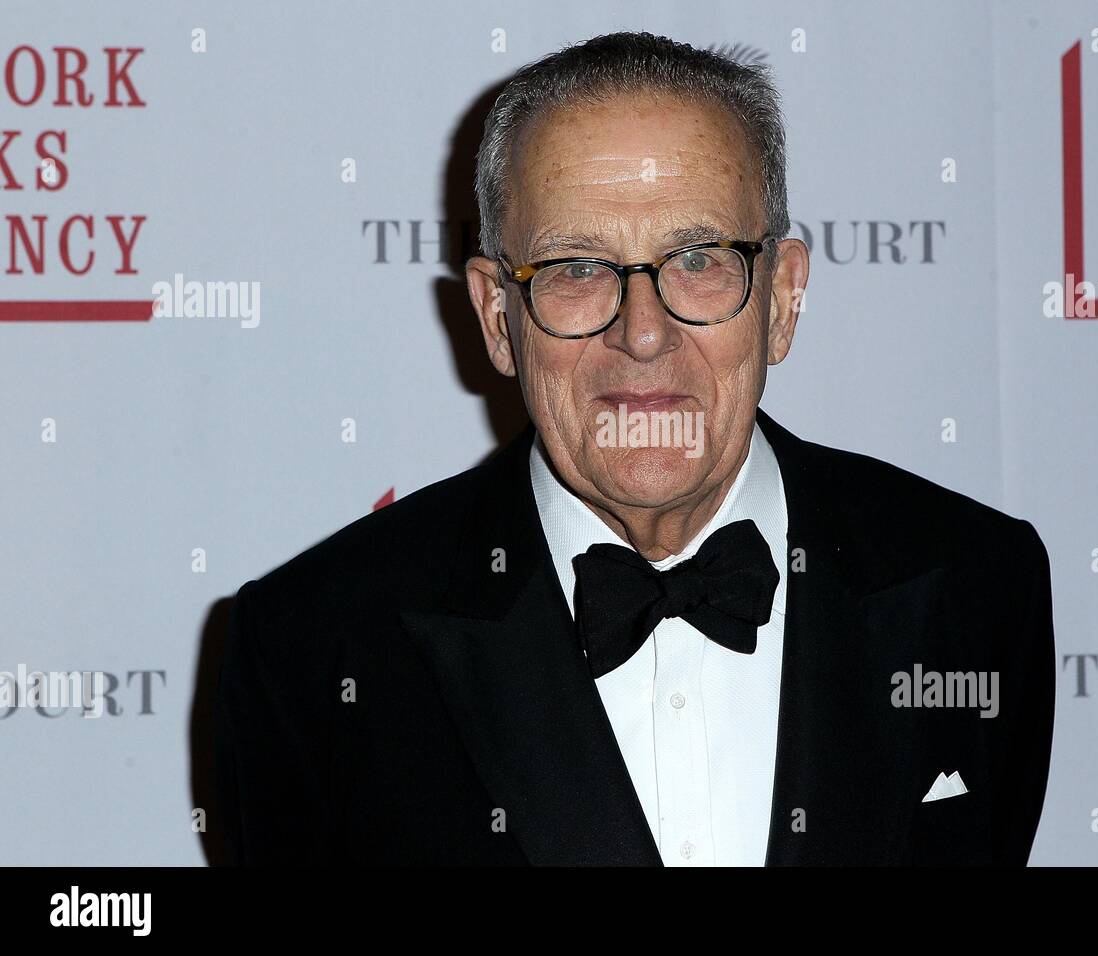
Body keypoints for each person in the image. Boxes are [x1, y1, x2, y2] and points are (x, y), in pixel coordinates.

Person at [215, 31, 1055, 866]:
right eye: (577, 267)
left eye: (698, 259)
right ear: (497, 318)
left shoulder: (977, 587)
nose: (643, 333)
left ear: (784, 297)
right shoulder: (310, 647)